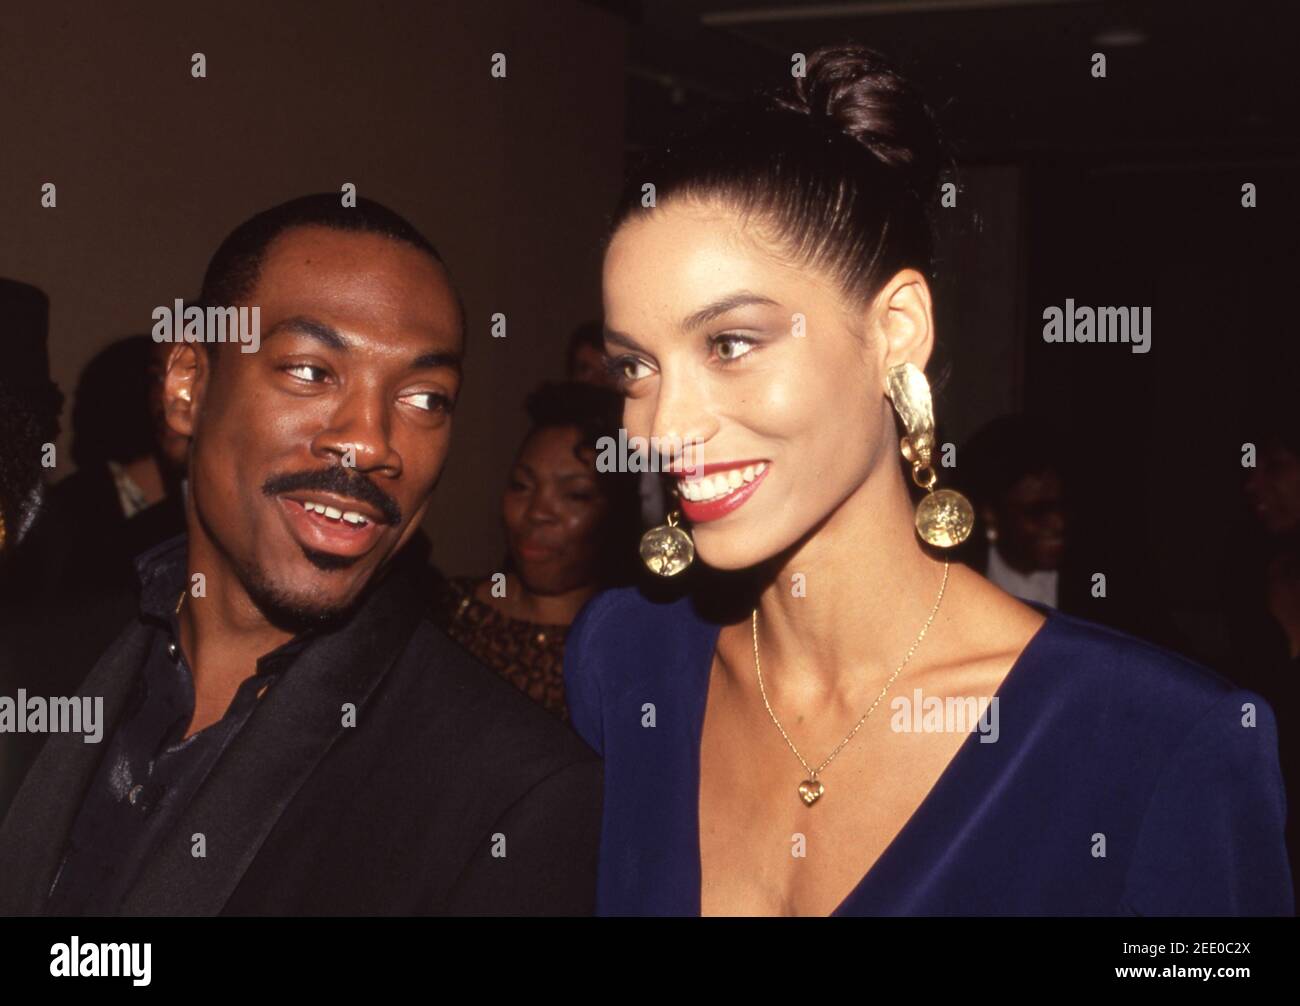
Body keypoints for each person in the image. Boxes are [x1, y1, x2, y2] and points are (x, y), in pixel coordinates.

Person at [563, 44, 1292, 916]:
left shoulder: (1156, 741)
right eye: (635, 369)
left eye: (730, 345)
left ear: (897, 331)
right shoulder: (628, 662)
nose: (663, 428)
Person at [0, 194, 601, 915]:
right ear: (187, 386)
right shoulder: (35, 665)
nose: (372, 441)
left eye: (424, 398)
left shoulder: (510, 791)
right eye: (312, 372)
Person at [433, 381, 640, 721]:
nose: (537, 512)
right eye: (521, 486)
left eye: (575, 494)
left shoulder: (629, 652)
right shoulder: (447, 614)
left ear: (619, 510)